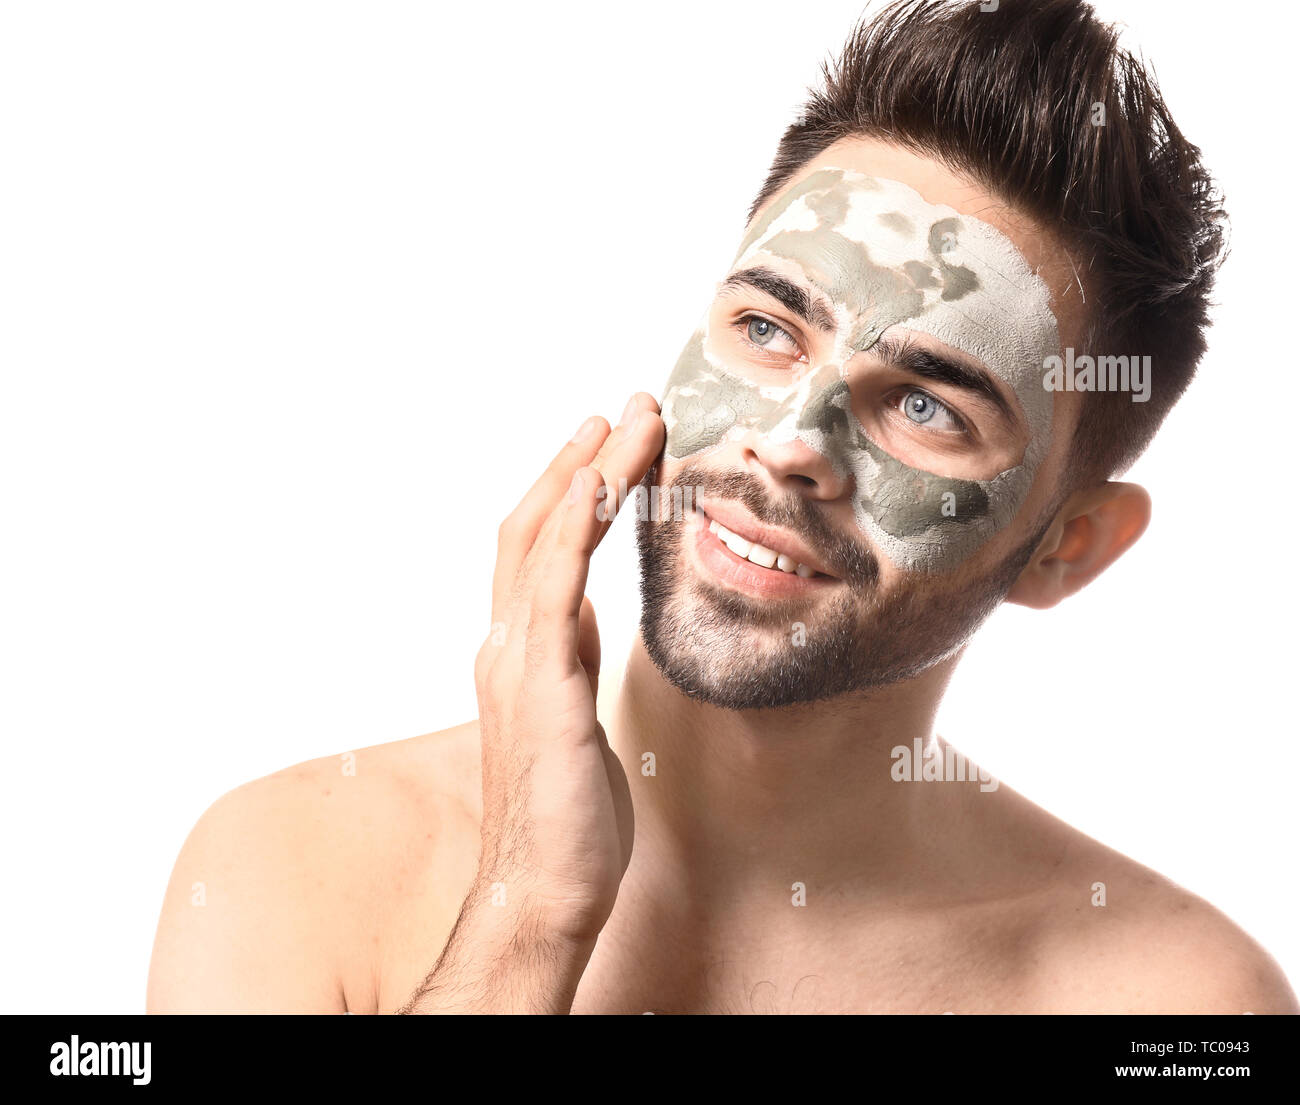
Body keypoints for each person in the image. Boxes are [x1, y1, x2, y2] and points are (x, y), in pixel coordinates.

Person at [148, 0, 1298, 1014]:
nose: (791, 441)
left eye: (929, 407)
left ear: (1067, 547)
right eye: (765, 329)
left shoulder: (1174, 1003)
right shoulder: (292, 869)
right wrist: (527, 913)